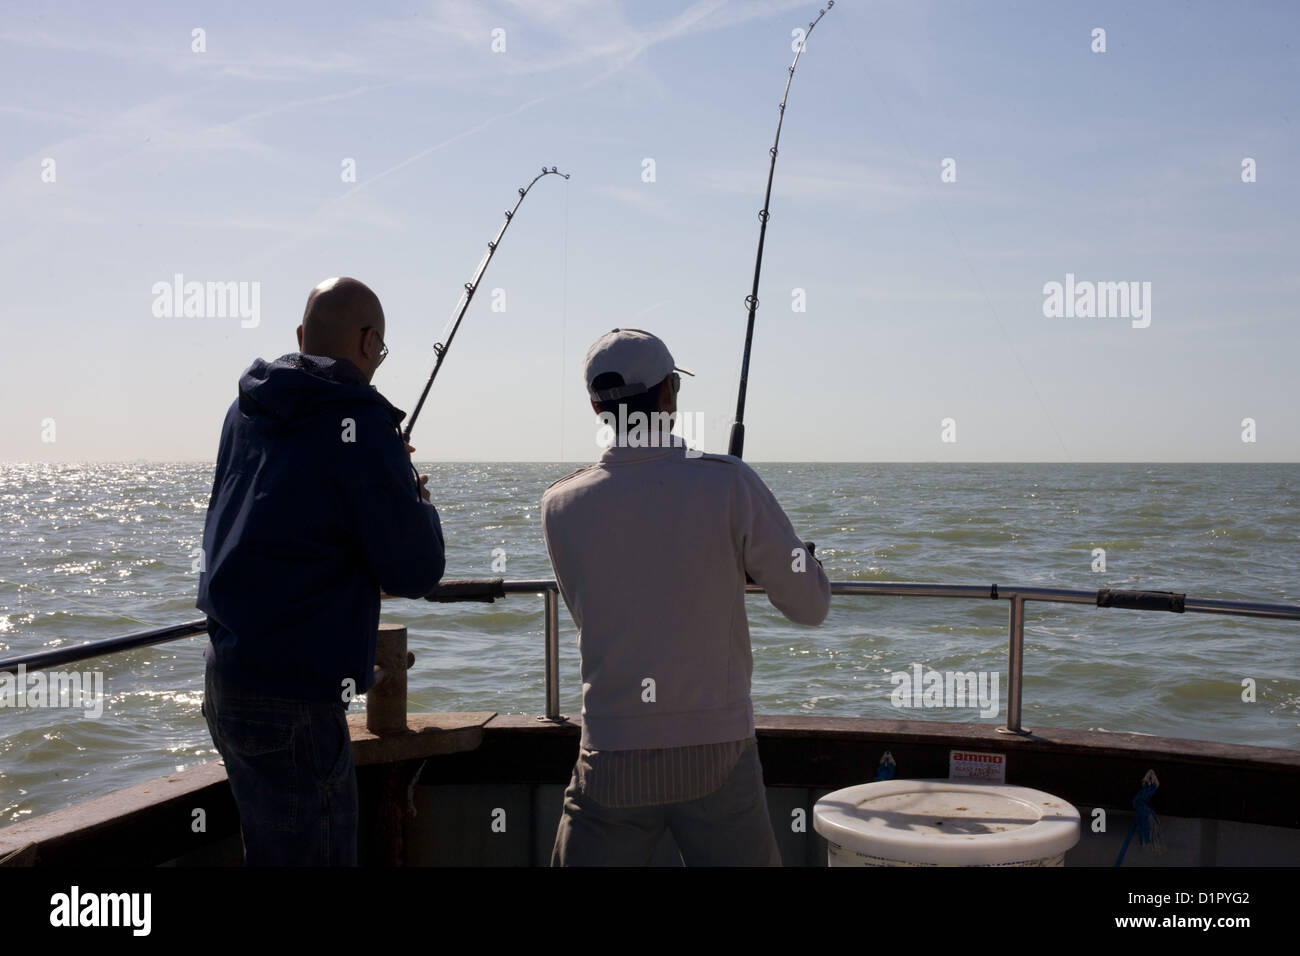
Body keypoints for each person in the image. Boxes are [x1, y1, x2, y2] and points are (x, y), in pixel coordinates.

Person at [543, 328, 831, 866]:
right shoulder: (729, 483)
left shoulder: (559, 503)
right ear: (669, 395)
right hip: (717, 751)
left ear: (594, 405)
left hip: (610, 751)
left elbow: (602, 602)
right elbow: (809, 605)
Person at [196, 276, 446, 866]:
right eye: (378, 351)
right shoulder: (360, 421)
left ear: (303, 336)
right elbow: (416, 568)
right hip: (297, 697)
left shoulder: (247, 408)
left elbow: (282, 516)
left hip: (227, 673)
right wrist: (416, 497)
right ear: (367, 342)